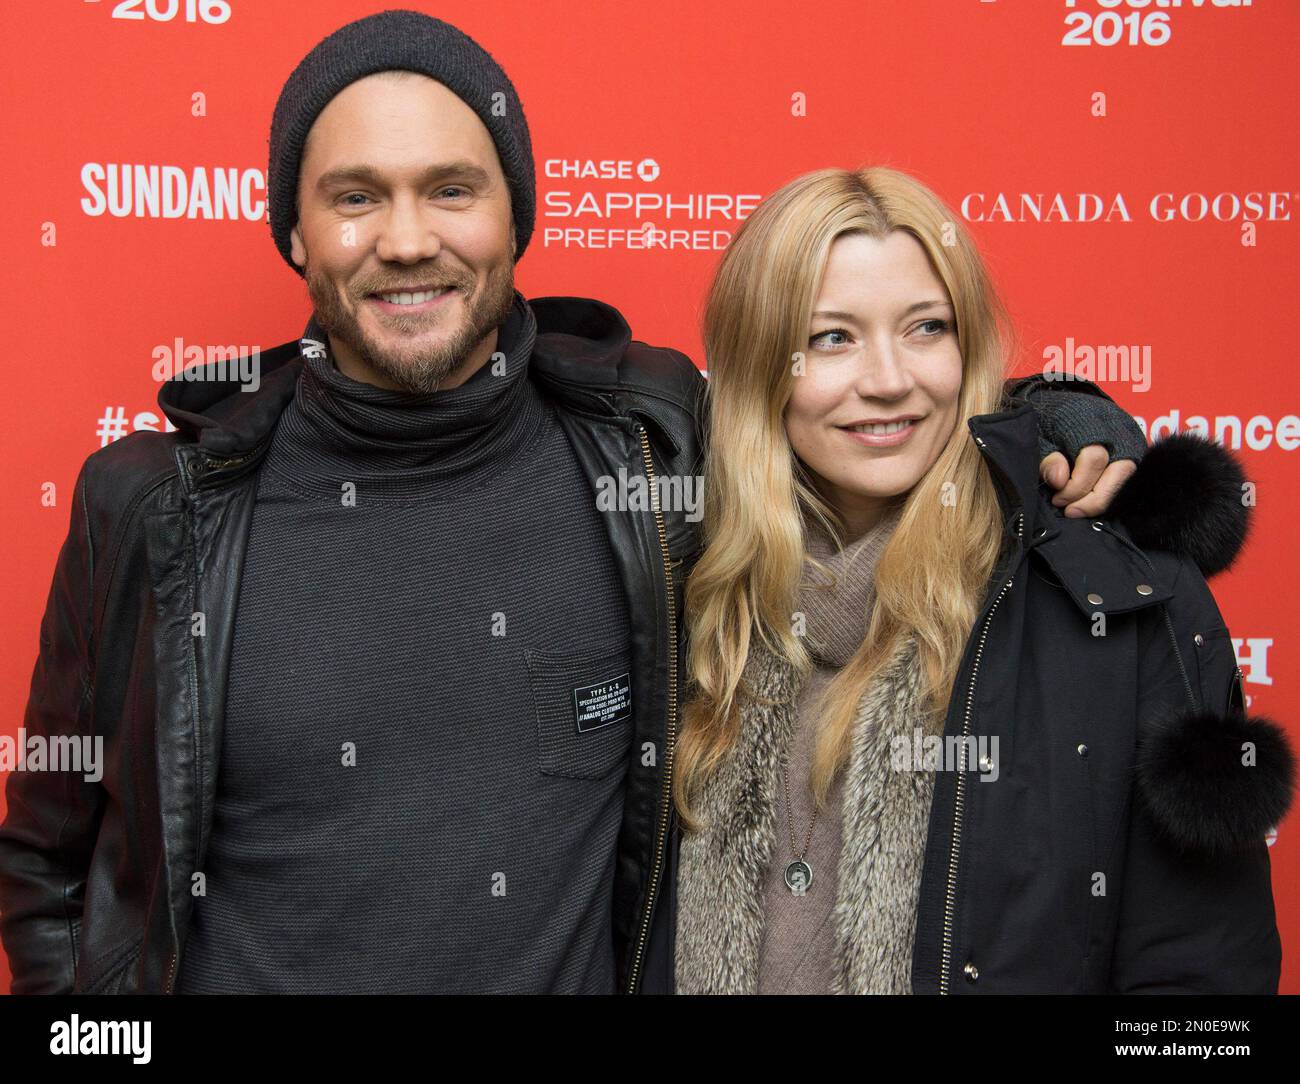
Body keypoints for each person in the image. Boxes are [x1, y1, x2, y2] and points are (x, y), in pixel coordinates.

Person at [0, 12, 1152, 995]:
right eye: (356, 197)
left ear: (515, 218)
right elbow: (48, 865)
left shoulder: (647, 441)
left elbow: (853, 416)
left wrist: (1041, 418)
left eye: (451, 190)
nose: (407, 240)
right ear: (295, 231)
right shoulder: (155, 507)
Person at [670, 165, 1293, 994]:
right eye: (831, 338)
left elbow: (1202, 981)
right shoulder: (670, 582)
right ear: (756, 365)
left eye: (927, 327)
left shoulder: (1116, 598)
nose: (890, 379)